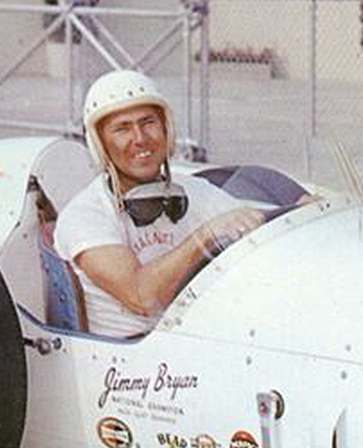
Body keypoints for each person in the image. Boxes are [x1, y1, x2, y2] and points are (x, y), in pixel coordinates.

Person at [55, 69, 267, 337]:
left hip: (196, 339)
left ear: (166, 128)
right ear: (100, 144)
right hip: (133, 364)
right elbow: (142, 297)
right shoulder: (85, 215)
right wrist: (205, 236)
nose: (140, 138)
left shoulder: (194, 191)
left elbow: (252, 225)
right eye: (122, 129)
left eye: (148, 122)